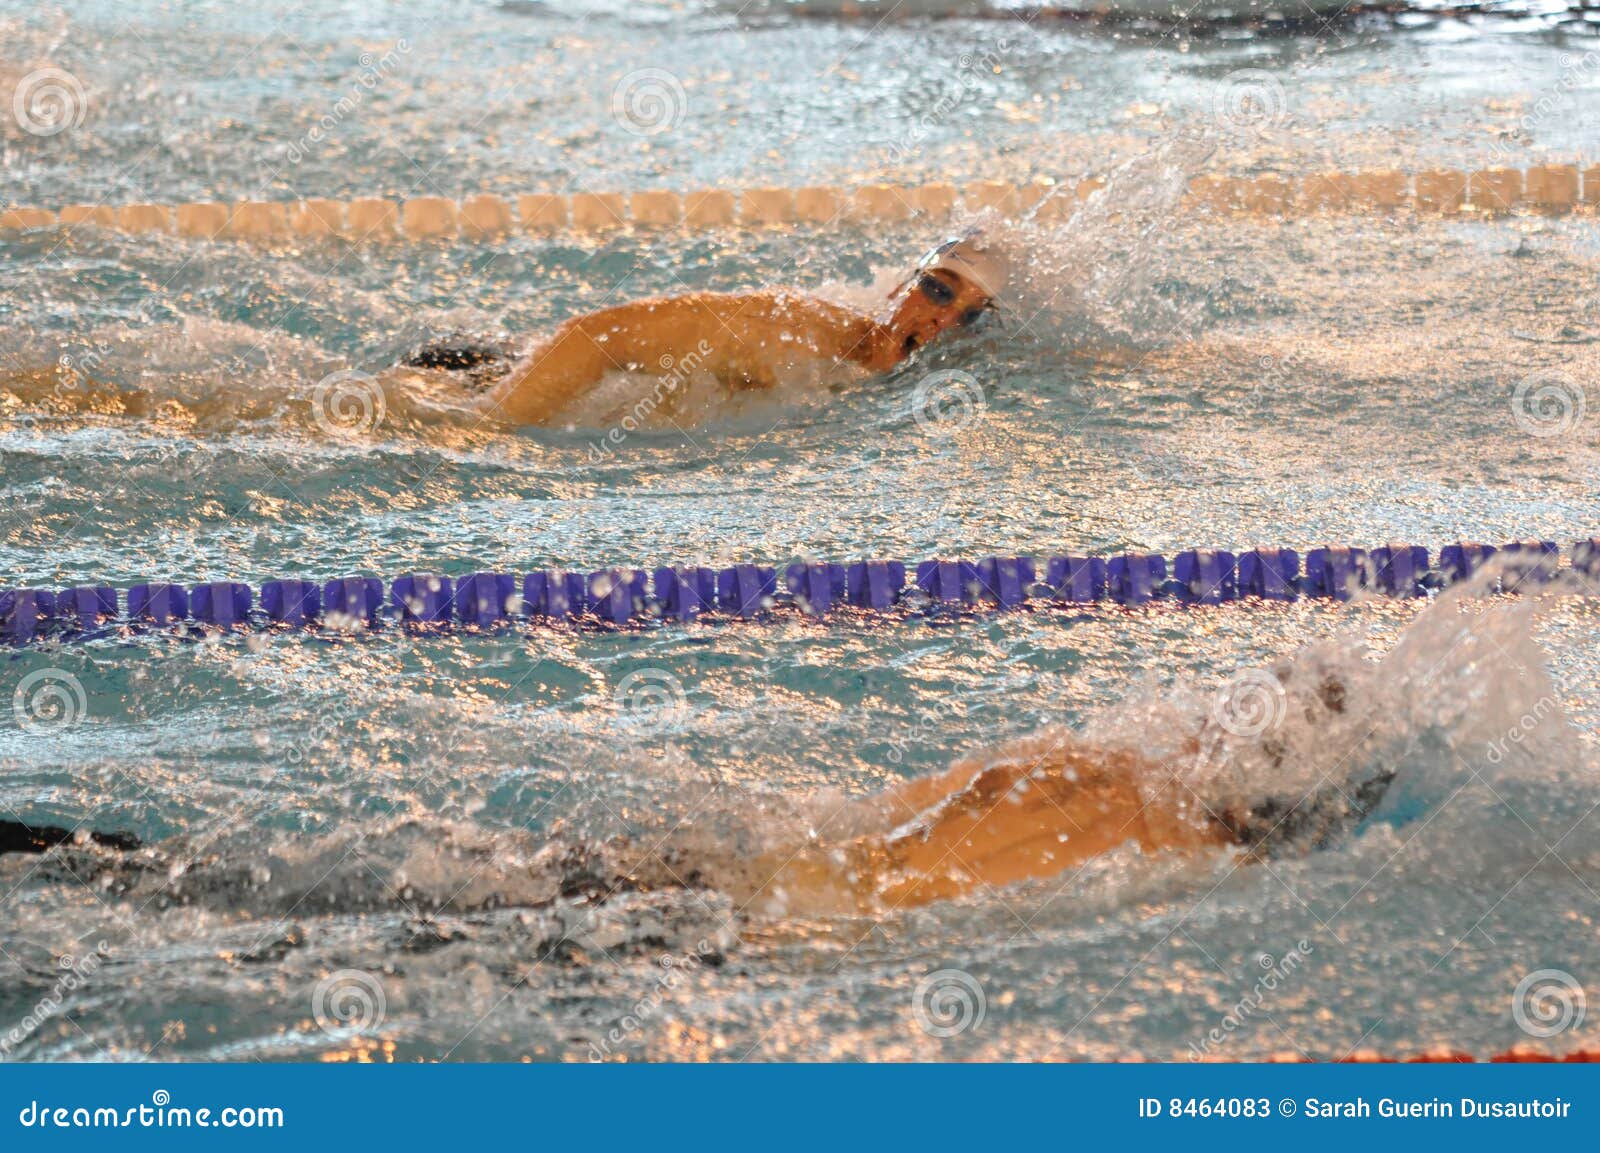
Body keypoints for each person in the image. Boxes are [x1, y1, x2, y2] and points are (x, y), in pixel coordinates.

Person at [404, 233, 1010, 425]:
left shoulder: (878, 370)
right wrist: (495, 427)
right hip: (475, 380)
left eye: (970, 314)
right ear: (899, 286)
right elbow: (594, 338)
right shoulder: (805, 333)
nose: (942, 318)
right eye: (937, 288)